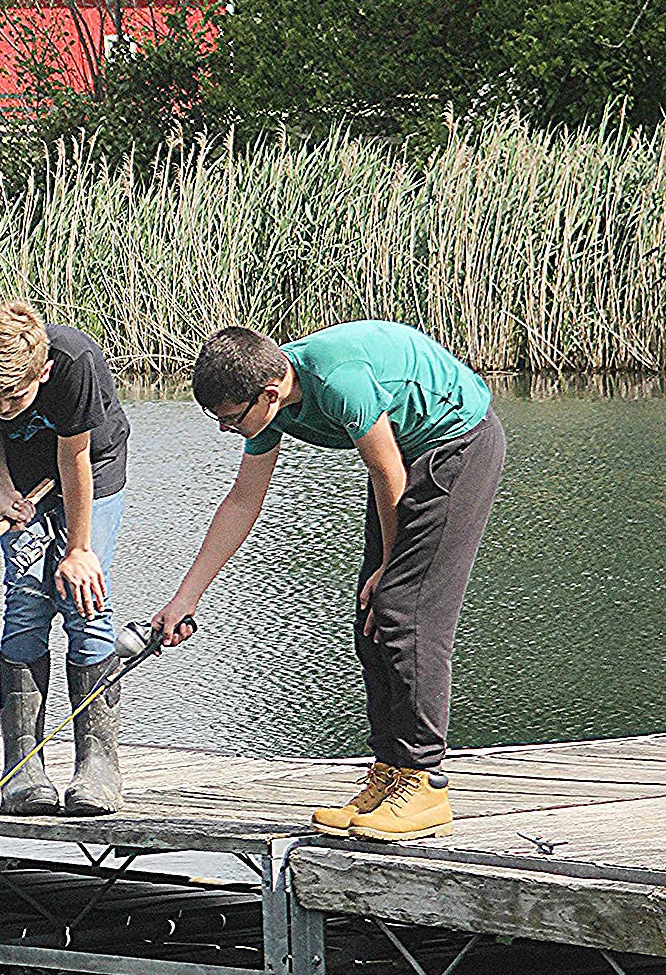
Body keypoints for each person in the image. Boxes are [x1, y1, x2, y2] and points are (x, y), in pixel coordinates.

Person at [153, 321, 505, 840]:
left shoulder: (339, 381)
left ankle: (427, 784)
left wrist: (389, 563)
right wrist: (186, 598)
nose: (226, 431)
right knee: (373, 619)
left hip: (458, 446)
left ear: (268, 395)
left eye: (230, 419)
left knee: (404, 612)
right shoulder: (268, 400)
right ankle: (392, 773)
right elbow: (242, 501)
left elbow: (387, 472)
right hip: (405, 456)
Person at [0, 301, 131, 816]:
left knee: (84, 600)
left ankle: (98, 768)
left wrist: (77, 550)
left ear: (42, 371)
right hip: (26, 478)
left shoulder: (73, 364)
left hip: (93, 469)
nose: (5, 409)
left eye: (15, 397)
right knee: (26, 602)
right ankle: (22, 769)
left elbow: (74, 459)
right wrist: (3, 494)